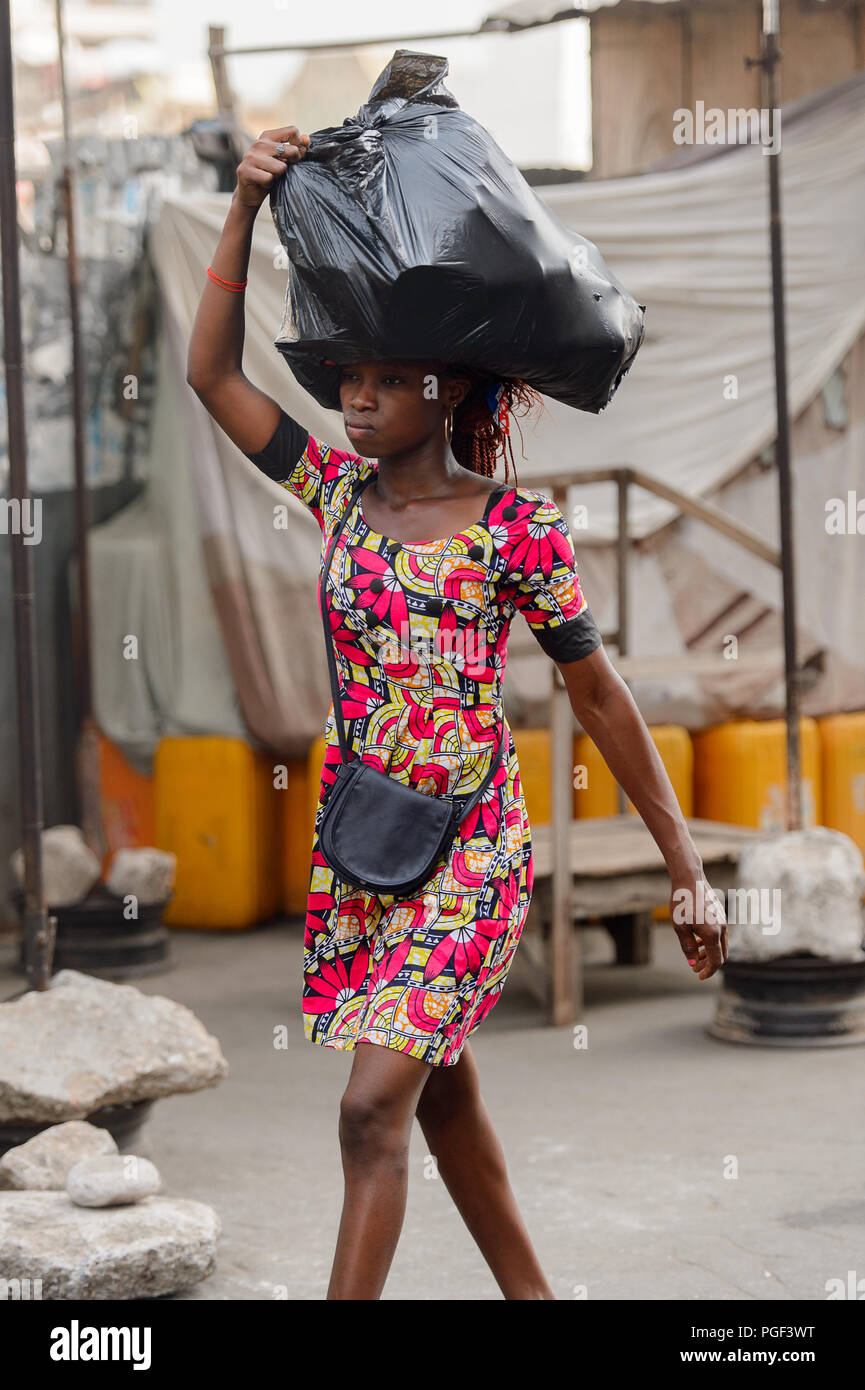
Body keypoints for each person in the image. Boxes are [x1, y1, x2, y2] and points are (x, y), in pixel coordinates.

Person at [186, 127, 728, 1301]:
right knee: (441, 1092)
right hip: (367, 842)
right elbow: (212, 378)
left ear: (446, 389)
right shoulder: (333, 493)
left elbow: (597, 690)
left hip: (472, 849)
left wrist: (681, 861)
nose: (355, 401)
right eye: (348, 380)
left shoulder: (515, 531)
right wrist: (239, 206)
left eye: (382, 381)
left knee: (370, 1107)